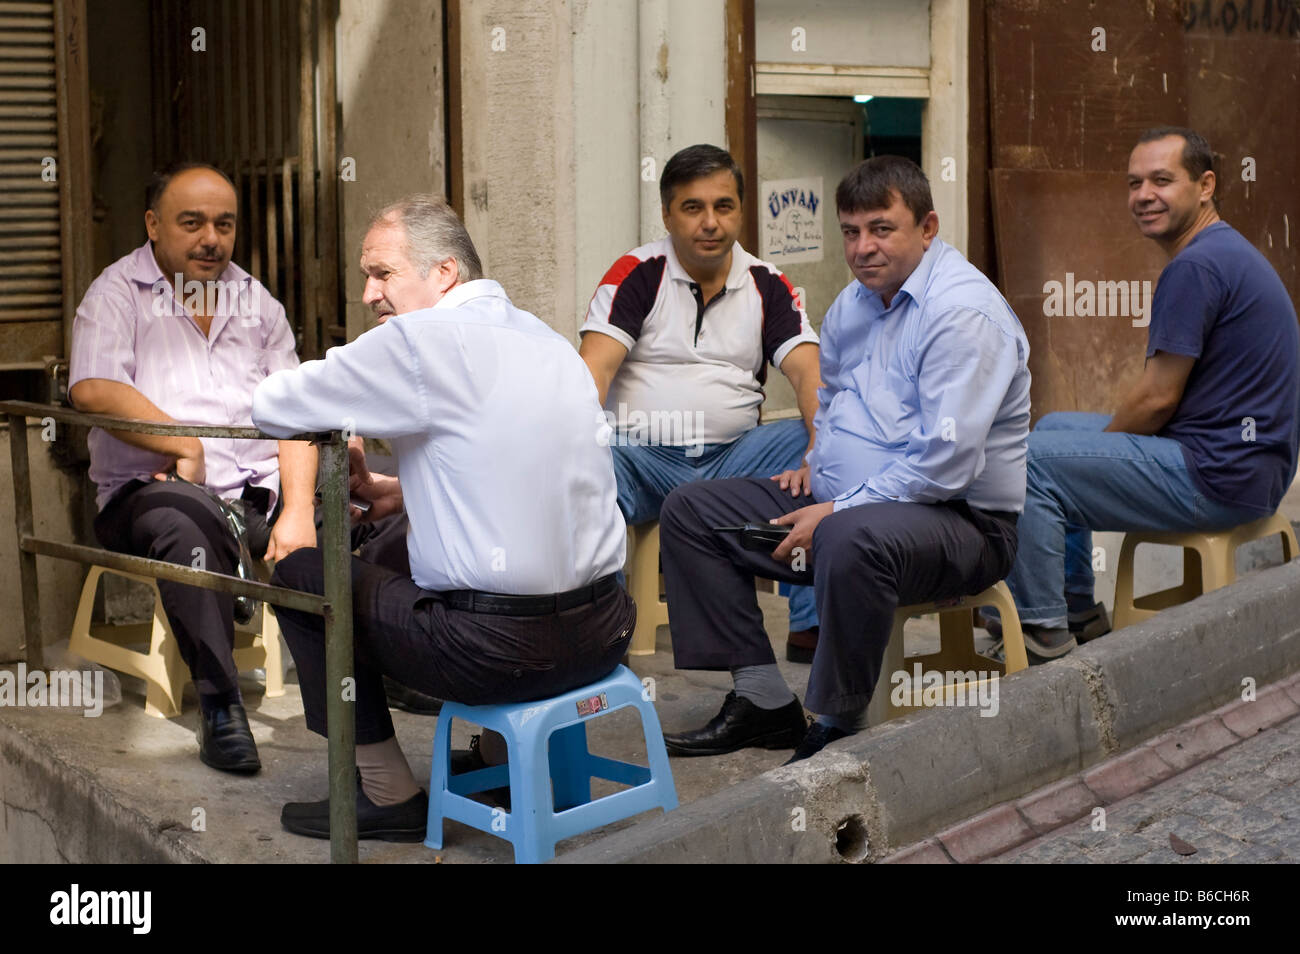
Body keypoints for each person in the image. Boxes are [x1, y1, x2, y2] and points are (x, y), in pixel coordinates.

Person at [252, 195, 634, 841]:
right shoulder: (546, 340)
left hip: (498, 655)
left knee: (301, 573)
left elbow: (276, 403)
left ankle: (385, 792)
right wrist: (403, 491)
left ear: (445, 272)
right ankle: (498, 758)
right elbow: (521, 472)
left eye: (382, 273)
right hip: (603, 634)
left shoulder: (418, 340)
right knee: (411, 552)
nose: (370, 293)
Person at [657, 155, 1031, 762]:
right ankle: (762, 701)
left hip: (962, 523)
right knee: (692, 510)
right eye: (851, 232)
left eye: (882, 228)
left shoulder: (963, 315)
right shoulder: (857, 303)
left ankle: (838, 717)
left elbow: (945, 464)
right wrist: (819, 458)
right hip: (844, 504)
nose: (863, 248)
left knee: (849, 536)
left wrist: (838, 505)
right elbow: (833, 399)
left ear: (928, 228)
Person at [998, 127, 1300, 659]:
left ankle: (1042, 632)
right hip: (1252, 469)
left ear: (1206, 185)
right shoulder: (1223, 251)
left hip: (1218, 477)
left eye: (1162, 180)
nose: (1143, 195)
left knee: (1027, 462)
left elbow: (1158, 398)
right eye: (1134, 183)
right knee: (1050, 430)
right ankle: (1076, 607)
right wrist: (1094, 458)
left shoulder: (1196, 267)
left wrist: (1104, 454)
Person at [68, 161, 318, 774]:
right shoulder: (117, 293)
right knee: (187, 525)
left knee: (351, 520)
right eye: (192, 222)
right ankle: (220, 705)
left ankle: (375, 672)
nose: (211, 238)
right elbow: (92, 389)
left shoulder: (253, 299)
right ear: (153, 225)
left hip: (252, 493)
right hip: (147, 494)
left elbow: (295, 406)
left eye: (224, 224)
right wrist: (184, 446)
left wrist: (302, 508)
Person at [578, 144, 824, 661]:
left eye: (724, 206)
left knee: (829, 444)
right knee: (582, 461)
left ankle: (811, 625)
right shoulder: (636, 274)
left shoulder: (767, 283)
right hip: (643, 459)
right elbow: (593, 371)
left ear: (740, 211)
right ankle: (597, 631)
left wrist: (817, 448)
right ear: (668, 214)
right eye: (693, 208)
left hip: (736, 458)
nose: (710, 222)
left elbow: (808, 373)